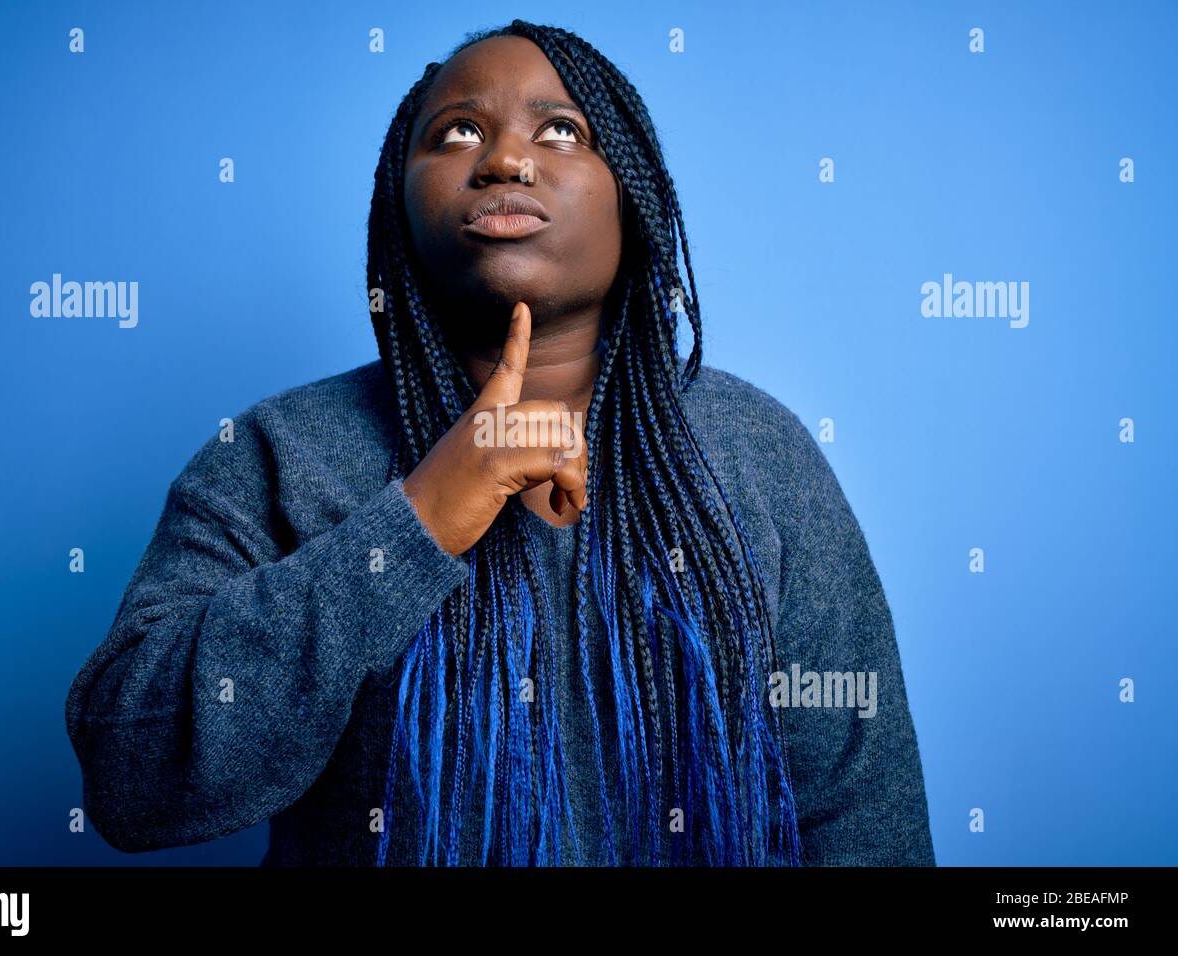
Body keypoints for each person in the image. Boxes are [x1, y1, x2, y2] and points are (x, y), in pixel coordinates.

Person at [64, 19, 935, 867]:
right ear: (396, 205)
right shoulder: (280, 452)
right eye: (458, 132)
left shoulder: (757, 452)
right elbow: (128, 774)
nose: (507, 160)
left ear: (631, 194)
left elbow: (863, 814)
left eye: (561, 130)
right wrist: (420, 520)